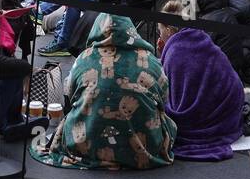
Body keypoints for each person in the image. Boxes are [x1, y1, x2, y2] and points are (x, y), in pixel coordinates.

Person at [31, 14, 176, 170]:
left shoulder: (84, 58)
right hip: (143, 145)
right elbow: (164, 97)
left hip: (86, 141)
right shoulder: (150, 60)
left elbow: (71, 93)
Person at [157, 0, 244, 161]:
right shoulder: (202, 37)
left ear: (168, 30)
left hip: (209, 122)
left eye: (160, 31)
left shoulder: (176, 52)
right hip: (231, 112)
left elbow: (176, 99)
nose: (160, 36)